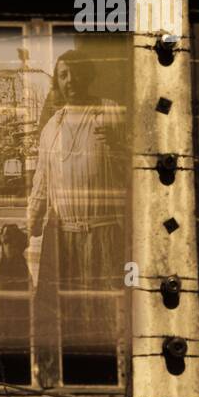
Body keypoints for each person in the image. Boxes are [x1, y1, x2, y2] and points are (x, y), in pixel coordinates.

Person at [27, 49, 126, 362]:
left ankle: (114, 375)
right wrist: (28, 226)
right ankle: (80, 371)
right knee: (70, 315)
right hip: (65, 239)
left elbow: (140, 171)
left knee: (110, 312)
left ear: (88, 74)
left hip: (107, 233)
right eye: (63, 75)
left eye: (75, 73)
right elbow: (41, 186)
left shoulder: (110, 112)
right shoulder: (50, 129)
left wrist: (118, 147)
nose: (70, 81)